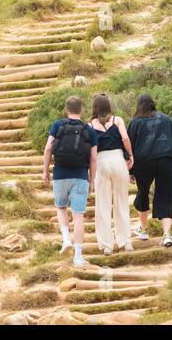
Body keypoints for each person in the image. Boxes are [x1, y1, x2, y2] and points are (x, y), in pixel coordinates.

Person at [42, 95, 98, 268]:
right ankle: (78, 256)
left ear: (67, 110)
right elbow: (94, 158)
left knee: (61, 208)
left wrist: (45, 171)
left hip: (60, 173)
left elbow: (48, 148)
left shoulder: (58, 125)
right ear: (81, 110)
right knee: (78, 215)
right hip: (80, 175)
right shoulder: (89, 130)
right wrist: (92, 180)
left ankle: (66, 239)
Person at [127, 94, 172, 248]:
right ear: (153, 104)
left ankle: (144, 230)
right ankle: (166, 235)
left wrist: (131, 171)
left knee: (143, 192)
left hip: (143, 162)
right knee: (166, 196)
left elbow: (129, 147)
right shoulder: (166, 119)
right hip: (166, 160)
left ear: (139, 106)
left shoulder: (135, 123)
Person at [89, 94, 135, 255]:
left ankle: (107, 244)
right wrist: (130, 155)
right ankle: (125, 241)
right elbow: (125, 138)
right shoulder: (117, 120)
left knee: (103, 204)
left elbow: (91, 150)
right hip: (117, 160)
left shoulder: (90, 124)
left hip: (101, 162)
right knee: (121, 201)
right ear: (108, 106)